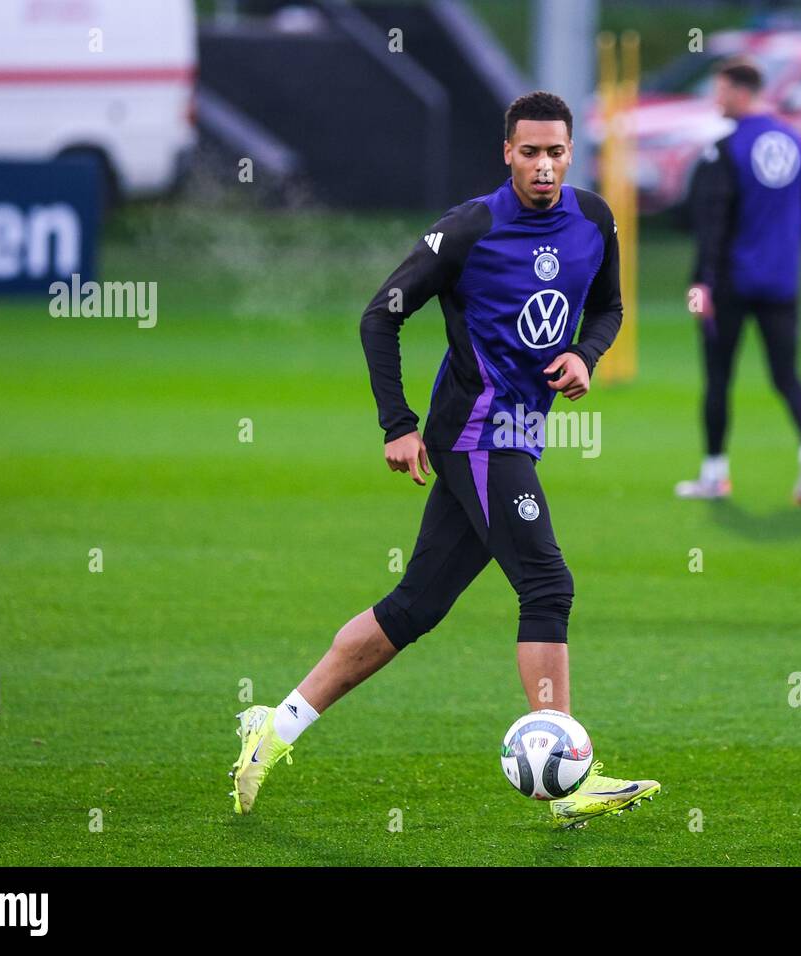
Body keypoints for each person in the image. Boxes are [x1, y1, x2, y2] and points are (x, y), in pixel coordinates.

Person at [229, 91, 659, 829]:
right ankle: (566, 781)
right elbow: (380, 315)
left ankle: (274, 726)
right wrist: (398, 426)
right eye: (530, 153)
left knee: (415, 606)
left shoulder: (594, 220)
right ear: (507, 153)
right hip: (475, 434)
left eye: (557, 152)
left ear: (570, 151)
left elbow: (609, 307)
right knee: (548, 584)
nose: (545, 167)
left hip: (519, 432)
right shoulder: (469, 231)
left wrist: (586, 356)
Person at [677, 58, 801, 504]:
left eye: (721, 91)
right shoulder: (796, 142)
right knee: (786, 375)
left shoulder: (725, 149)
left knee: (718, 377)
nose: (716, 100)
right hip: (782, 281)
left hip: (731, 282)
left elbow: (713, 222)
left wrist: (699, 282)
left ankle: (714, 474)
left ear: (741, 92)